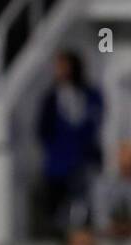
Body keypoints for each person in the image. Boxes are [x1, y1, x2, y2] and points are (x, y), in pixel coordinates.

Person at [36, 50, 105, 234]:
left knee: (85, 207)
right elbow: (42, 130)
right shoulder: (51, 97)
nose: (59, 70)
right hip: (58, 163)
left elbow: (95, 122)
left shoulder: (90, 94)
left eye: (63, 66)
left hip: (83, 161)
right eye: (58, 66)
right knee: (57, 210)